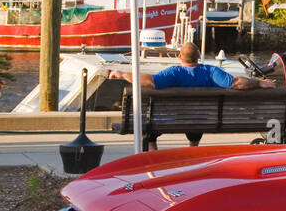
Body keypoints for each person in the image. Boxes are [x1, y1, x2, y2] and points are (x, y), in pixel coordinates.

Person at [108, 42, 275, 147]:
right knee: (197, 119)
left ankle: (153, 153)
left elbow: (150, 81)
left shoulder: (174, 72)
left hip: (170, 121)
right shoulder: (211, 71)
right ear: (199, 56)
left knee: (151, 130)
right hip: (200, 121)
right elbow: (236, 83)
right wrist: (259, 82)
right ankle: (193, 147)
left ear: (180, 56)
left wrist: (123, 74)